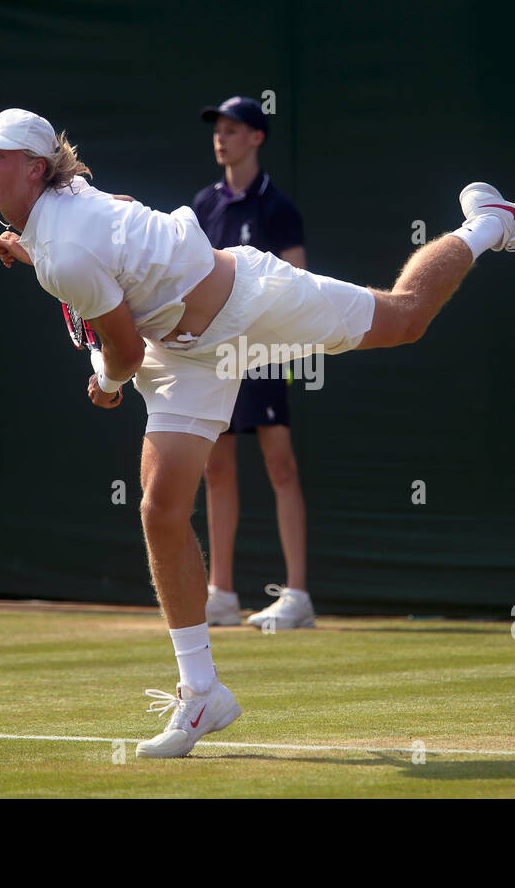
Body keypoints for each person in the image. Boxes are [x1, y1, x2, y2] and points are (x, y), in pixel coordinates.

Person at [0, 108, 515, 757]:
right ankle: (202, 694)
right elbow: (122, 216)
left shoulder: (66, 249)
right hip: (186, 352)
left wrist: (104, 381)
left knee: (405, 317)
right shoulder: (63, 213)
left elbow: (124, 356)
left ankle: (490, 223)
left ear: (36, 168)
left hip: (247, 301)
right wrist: (34, 248)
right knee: (161, 508)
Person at [192, 96, 313, 631]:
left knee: (280, 465)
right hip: (213, 354)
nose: (222, 137)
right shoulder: (203, 205)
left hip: (263, 351)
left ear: (257, 138)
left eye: (234, 129)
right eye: (218, 129)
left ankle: (298, 596)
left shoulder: (277, 206)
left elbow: (298, 280)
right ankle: (220, 592)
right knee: (216, 468)